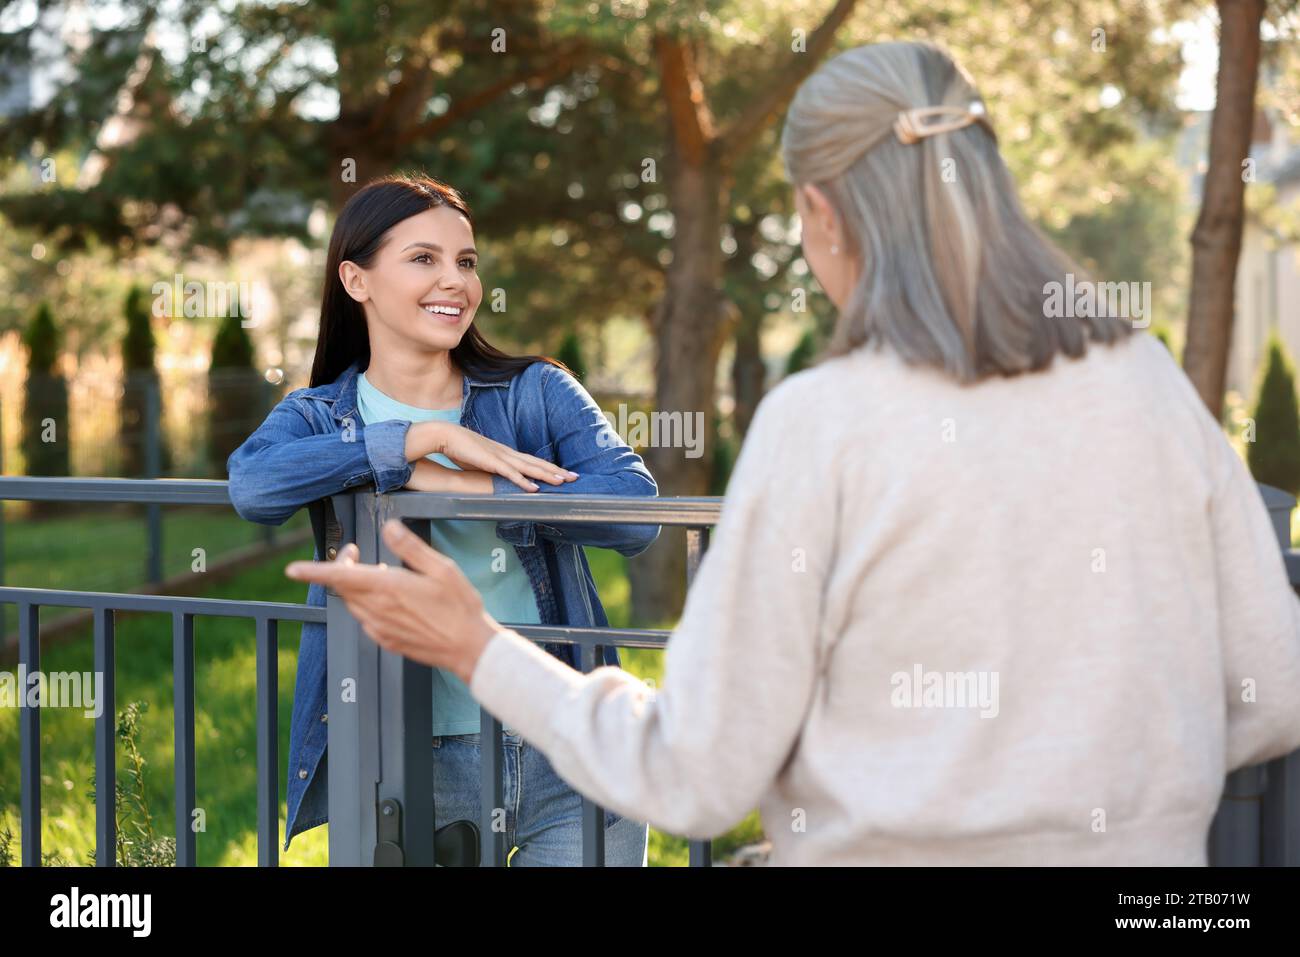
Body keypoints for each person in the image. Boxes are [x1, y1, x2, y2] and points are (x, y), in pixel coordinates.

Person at [286, 42, 1300, 865]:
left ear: (820, 214)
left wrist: (477, 646)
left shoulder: (825, 420)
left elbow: (695, 773)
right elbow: (1274, 693)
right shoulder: (1145, 381)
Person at [228, 173, 657, 865]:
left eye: (465, 261)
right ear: (356, 280)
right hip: (408, 759)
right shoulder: (320, 414)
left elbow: (636, 513)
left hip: (567, 743)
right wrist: (413, 444)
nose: (454, 281)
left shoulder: (535, 393)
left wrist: (475, 484)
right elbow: (252, 483)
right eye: (423, 258)